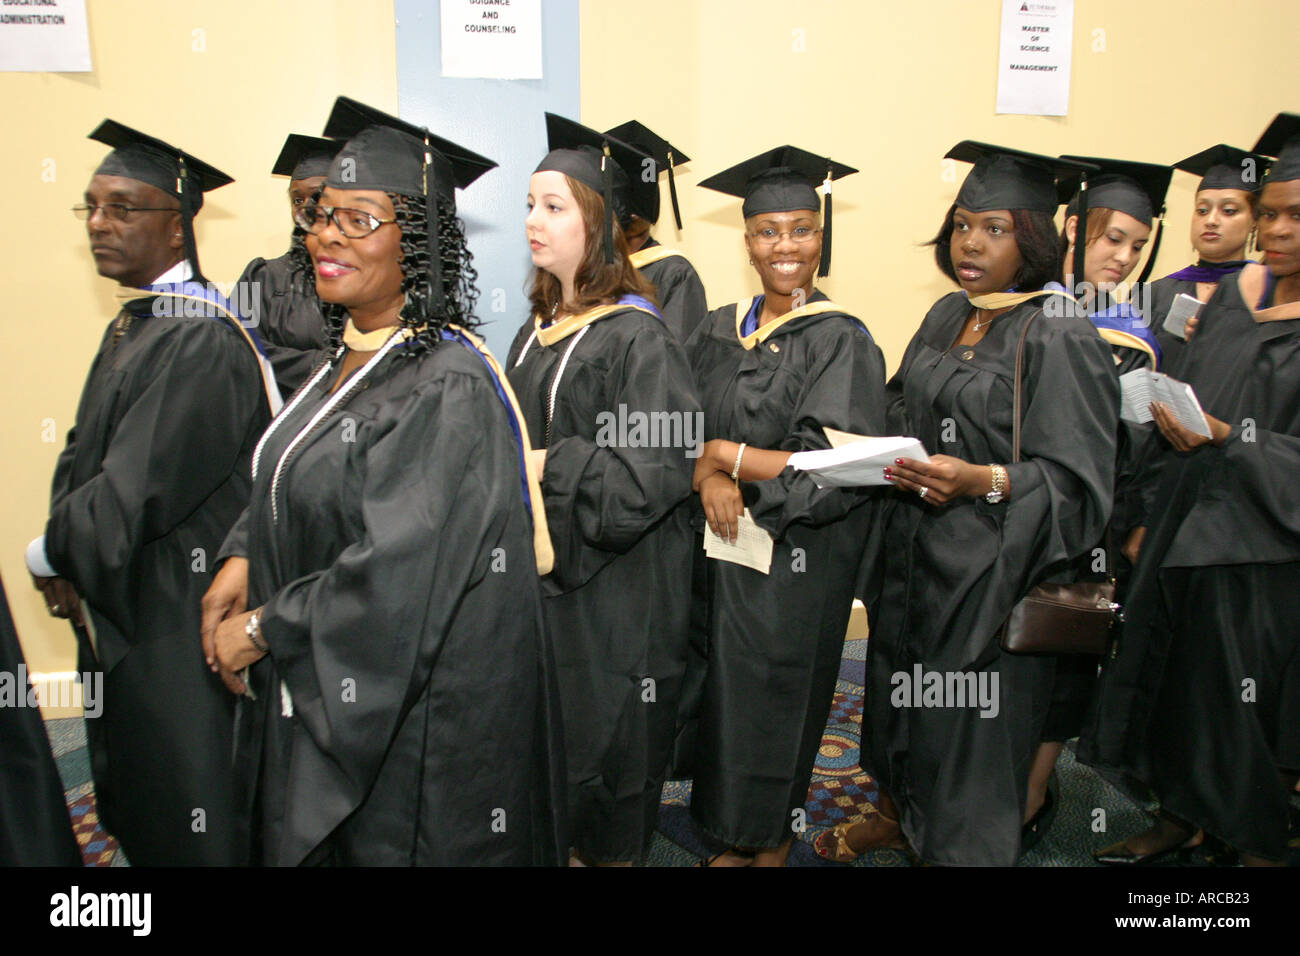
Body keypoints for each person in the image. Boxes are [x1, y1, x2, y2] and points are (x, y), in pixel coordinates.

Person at [204, 97, 566, 866]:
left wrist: (268, 626)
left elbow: (391, 581)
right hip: (356, 688)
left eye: (359, 219)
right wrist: (245, 552)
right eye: (322, 216)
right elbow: (291, 469)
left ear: (423, 241)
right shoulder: (353, 357)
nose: (328, 236)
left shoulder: (446, 385)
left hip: (419, 729)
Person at [827, 143, 1118, 866]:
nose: (971, 244)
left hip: (990, 571)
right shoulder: (948, 313)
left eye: (995, 228)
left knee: (967, 737)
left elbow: (1078, 484)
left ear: (1035, 237)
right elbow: (902, 403)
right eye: (961, 225)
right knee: (902, 701)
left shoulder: (1058, 332)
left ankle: (960, 849)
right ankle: (899, 814)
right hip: (913, 556)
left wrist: (982, 480)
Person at [26, 119, 277, 865]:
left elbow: (133, 493)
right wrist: (68, 554)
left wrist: (49, 554)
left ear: (179, 225)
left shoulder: (198, 337)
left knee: (194, 802)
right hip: (139, 599)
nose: (101, 225)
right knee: (147, 796)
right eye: (91, 207)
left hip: (183, 614)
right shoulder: (139, 325)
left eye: (123, 207)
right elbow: (81, 458)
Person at [1079, 112, 1300, 867]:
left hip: (1262, 543)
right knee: (1165, 676)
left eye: (1293, 216)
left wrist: (1230, 438)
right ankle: (1177, 815)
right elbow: (1188, 400)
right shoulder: (1238, 295)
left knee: (1236, 699)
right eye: (1267, 212)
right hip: (1185, 514)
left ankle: (1252, 842)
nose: (1275, 229)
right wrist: (1146, 508)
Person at [507, 113, 699, 865]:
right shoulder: (535, 327)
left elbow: (648, 479)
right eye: (529, 203)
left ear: (604, 225)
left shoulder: (638, 339)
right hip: (547, 586)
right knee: (551, 749)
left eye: (554, 207)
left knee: (608, 757)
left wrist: (547, 464)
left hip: (619, 598)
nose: (532, 221)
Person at [689, 146, 887, 867]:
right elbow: (682, 427)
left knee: (776, 697)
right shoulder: (715, 327)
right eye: (768, 231)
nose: (785, 246)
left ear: (821, 237)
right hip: (718, 545)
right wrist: (704, 478)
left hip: (797, 558)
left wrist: (730, 466)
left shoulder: (840, 339)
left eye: (801, 229)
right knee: (724, 697)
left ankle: (769, 845)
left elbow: (834, 466)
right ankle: (728, 835)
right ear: (747, 242)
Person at [1017, 158, 1173, 848]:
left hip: (1089, 528)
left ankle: (1033, 793)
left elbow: (1137, 449)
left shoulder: (1130, 340)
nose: (1124, 258)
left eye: (1138, 246)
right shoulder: (1023, 307)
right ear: (1074, 228)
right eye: (1113, 239)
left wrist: (1132, 525)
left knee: (1066, 653)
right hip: (1009, 513)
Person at [231, 133, 342, 397]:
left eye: (316, 196)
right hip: (280, 418)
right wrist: (328, 365)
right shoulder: (260, 277)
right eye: (296, 200)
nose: (305, 207)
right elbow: (238, 349)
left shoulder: (364, 275)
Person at [1147, 144, 1266, 376]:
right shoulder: (1156, 294)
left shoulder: (1264, 295)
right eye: (1202, 210)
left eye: (1229, 210)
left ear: (1255, 221)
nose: (1211, 220)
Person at [604, 120, 709, 343]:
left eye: (643, 197)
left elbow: (674, 359)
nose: (632, 211)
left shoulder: (674, 274)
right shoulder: (588, 270)